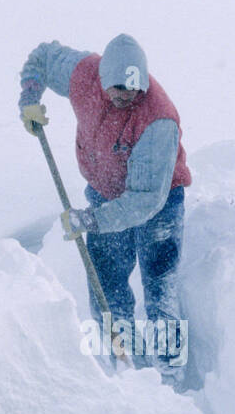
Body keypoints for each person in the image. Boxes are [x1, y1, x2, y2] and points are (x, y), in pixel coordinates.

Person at [18, 34, 191, 386]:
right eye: (118, 89)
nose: (126, 96)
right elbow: (43, 57)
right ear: (101, 79)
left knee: (160, 287)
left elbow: (145, 200)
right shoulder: (83, 75)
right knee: (107, 283)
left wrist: (93, 220)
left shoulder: (158, 119)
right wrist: (30, 97)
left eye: (133, 90)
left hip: (159, 202)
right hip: (104, 193)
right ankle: (122, 366)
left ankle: (173, 379)